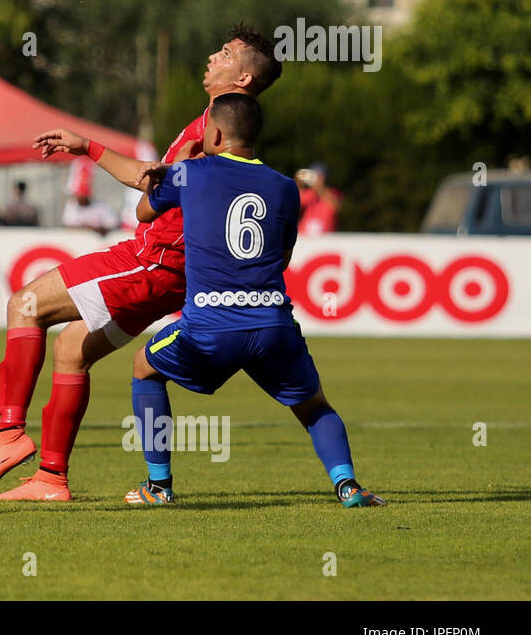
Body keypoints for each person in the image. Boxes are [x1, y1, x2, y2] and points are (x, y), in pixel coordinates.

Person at [0, 25, 281, 501]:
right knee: (72, 351)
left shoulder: (213, 130)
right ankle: (51, 479)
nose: (214, 55)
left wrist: (86, 147)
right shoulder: (216, 125)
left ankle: (9, 434)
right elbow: (157, 190)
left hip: (151, 262)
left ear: (243, 81)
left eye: (228, 53)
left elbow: (143, 184)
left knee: (25, 304)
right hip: (170, 275)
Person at [127, 94, 384, 508]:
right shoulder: (285, 188)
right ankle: (348, 485)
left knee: (144, 368)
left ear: (215, 132)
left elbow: (143, 213)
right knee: (314, 405)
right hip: (272, 325)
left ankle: (158, 486)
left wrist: (165, 175)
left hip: (209, 327)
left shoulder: (189, 173)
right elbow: (281, 258)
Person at [61, 159, 118, 233]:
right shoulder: (71, 206)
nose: (78, 198)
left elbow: (112, 225)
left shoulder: (102, 207)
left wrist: (92, 229)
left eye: (80, 195)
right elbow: (68, 226)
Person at [296, 163, 341, 235]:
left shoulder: (333, 193)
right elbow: (293, 201)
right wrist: (299, 182)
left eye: (319, 176)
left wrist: (319, 187)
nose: (315, 179)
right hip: (305, 238)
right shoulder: (310, 193)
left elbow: (336, 206)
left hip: (325, 240)